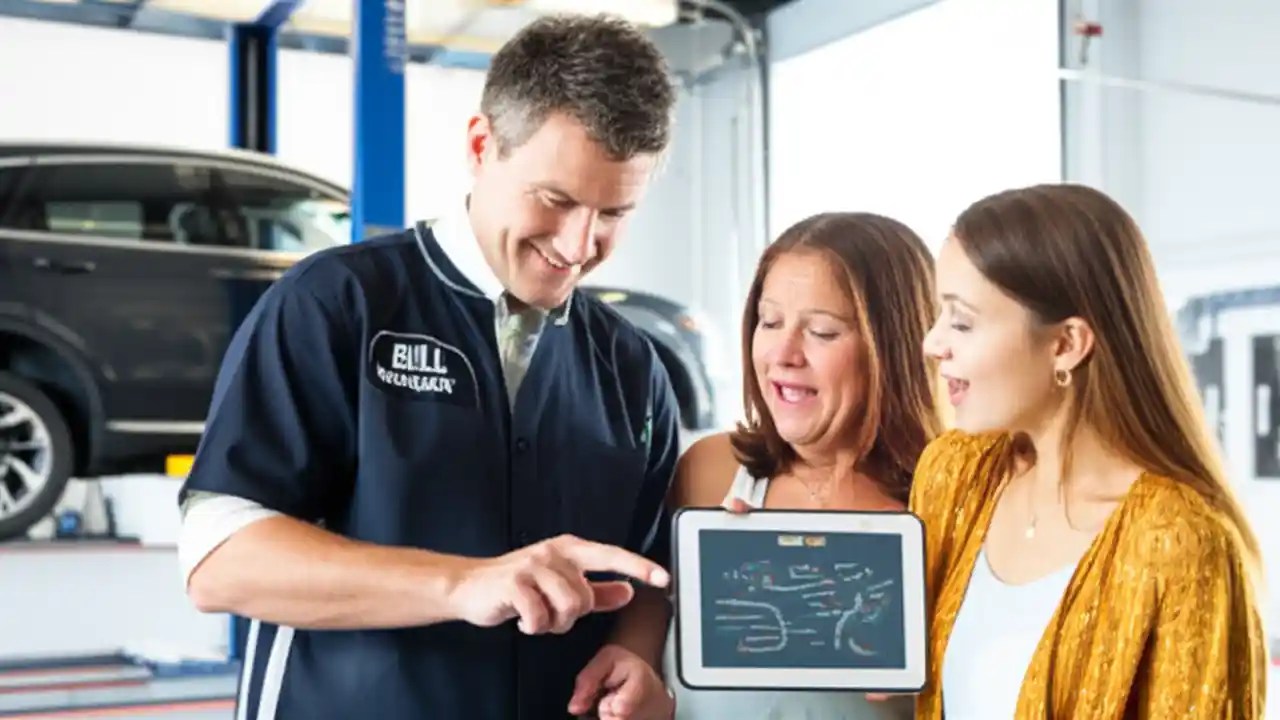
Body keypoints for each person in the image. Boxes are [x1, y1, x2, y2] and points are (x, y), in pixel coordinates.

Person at [176, 14, 686, 720]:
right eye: (556, 200)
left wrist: (634, 650)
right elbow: (219, 562)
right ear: (482, 146)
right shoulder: (337, 303)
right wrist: (461, 584)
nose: (579, 243)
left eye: (613, 213)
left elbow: (650, 569)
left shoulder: (636, 370)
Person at [912, 183, 1268, 718]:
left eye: (962, 321)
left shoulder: (1182, 543)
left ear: (1066, 344)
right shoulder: (954, 475)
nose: (933, 344)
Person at [659, 212, 943, 719]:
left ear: (894, 348)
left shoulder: (949, 502)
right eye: (769, 322)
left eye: (822, 331)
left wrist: (932, 680)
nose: (783, 353)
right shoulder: (709, 470)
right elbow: (645, 621)